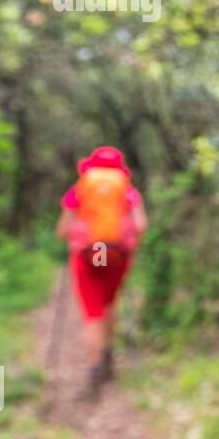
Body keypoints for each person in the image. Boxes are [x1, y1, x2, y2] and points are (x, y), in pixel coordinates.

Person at [55, 146, 147, 392]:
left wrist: (77, 236)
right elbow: (140, 224)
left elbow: (62, 230)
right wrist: (129, 244)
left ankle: (95, 368)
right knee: (109, 304)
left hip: (89, 254)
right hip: (116, 255)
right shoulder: (126, 189)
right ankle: (107, 353)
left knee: (93, 312)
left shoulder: (80, 189)